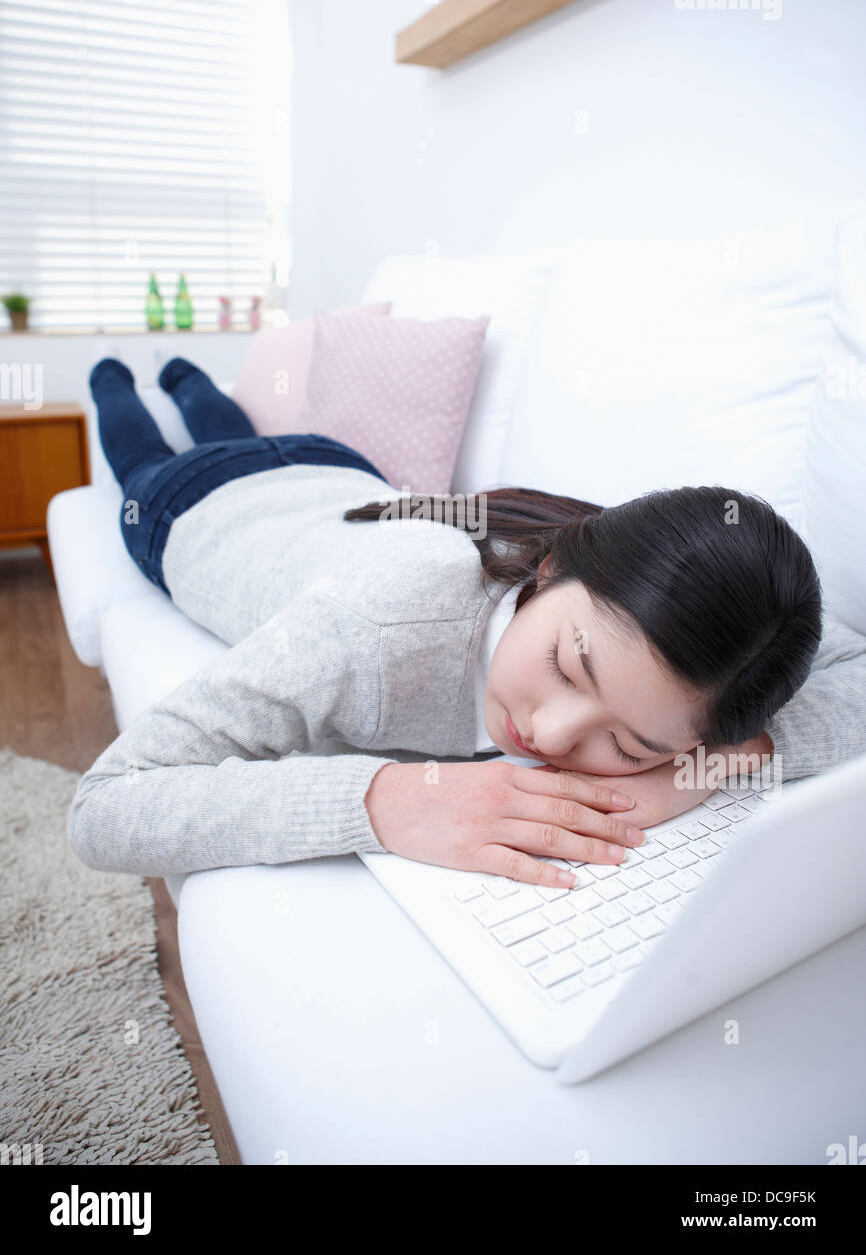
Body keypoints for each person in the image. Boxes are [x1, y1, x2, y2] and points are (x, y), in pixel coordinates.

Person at [69, 356, 866, 886]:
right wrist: (386, 799)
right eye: (566, 665)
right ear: (551, 569)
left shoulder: (720, 641)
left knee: (227, 420)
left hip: (342, 476)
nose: (551, 740)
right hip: (195, 503)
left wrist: (722, 761)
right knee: (140, 439)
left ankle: (184, 384)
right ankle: (128, 376)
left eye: (630, 745)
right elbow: (106, 805)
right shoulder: (375, 627)